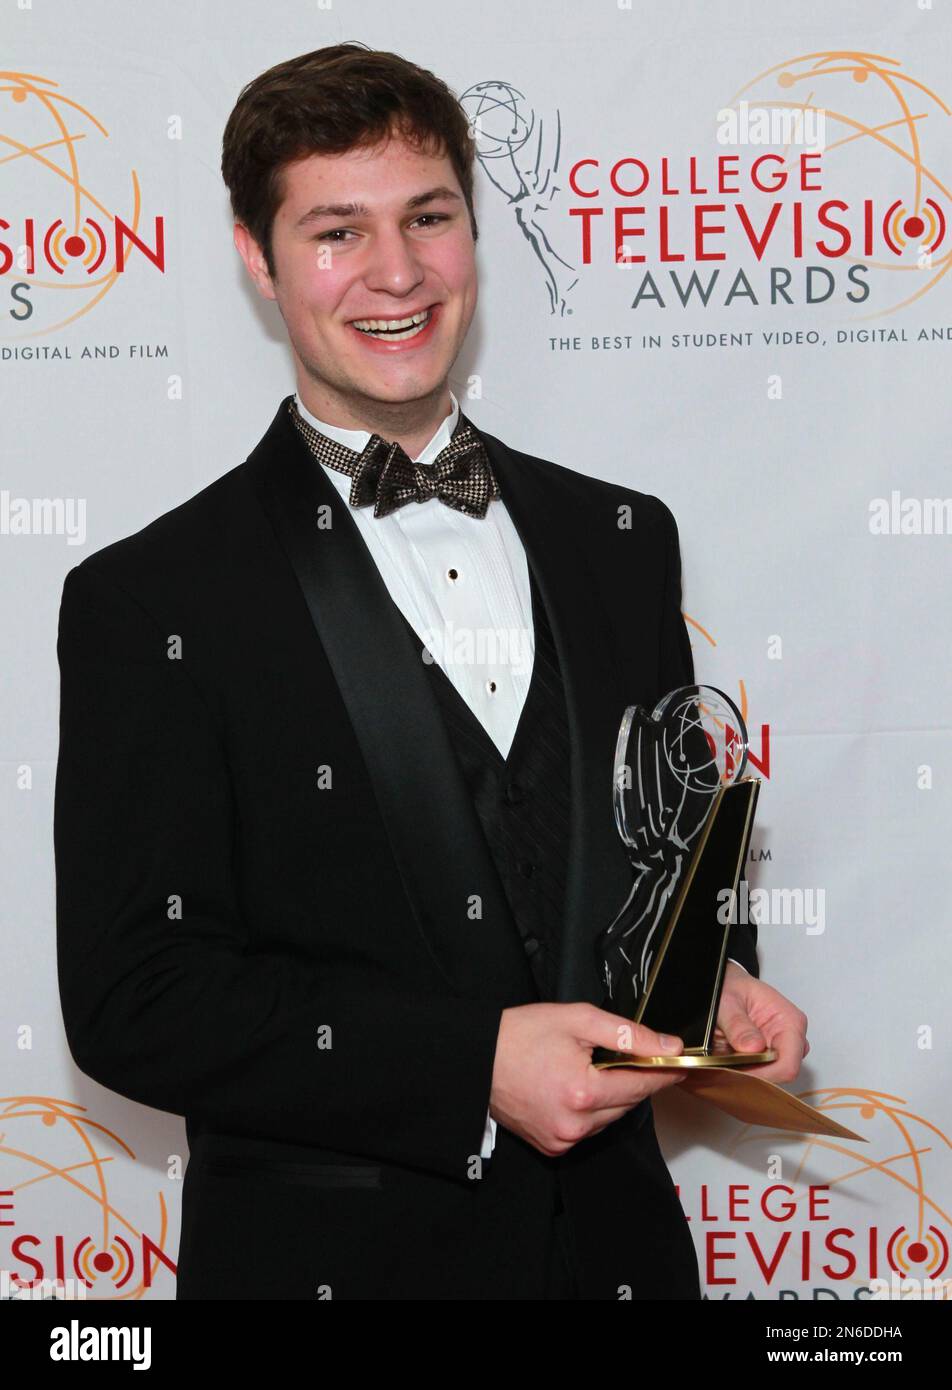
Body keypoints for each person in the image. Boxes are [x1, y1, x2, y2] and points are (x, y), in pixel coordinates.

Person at [53, 42, 809, 1300]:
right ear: (258, 255)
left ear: (474, 224)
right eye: (336, 231)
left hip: (618, 1263)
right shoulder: (154, 598)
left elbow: (647, 862)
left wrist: (711, 986)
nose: (397, 274)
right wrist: (469, 1065)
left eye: (428, 218)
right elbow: (139, 996)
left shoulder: (622, 538)